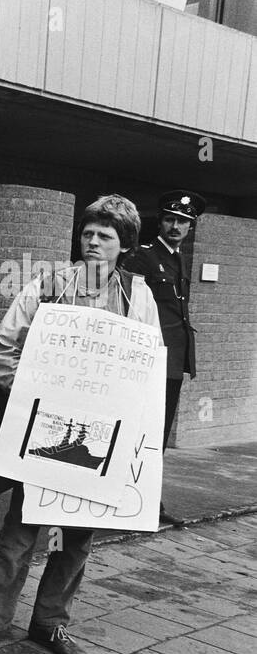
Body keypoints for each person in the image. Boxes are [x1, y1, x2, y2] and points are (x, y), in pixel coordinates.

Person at [0, 195, 162, 654]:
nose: (92, 242)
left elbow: (148, 362)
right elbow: (6, 342)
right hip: (44, 434)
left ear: (123, 244)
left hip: (99, 439)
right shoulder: (49, 284)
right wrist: (19, 400)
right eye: (88, 233)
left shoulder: (137, 295)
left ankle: (51, 622)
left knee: (76, 536)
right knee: (21, 530)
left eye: (104, 236)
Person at [121, 189, 206, 526]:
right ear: (161, 221)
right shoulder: (142, 257)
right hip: (152, 359)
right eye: (170, 219)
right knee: (142, 432)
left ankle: (147, 503)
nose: (175, 226)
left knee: (158, 436)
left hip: (172, 361)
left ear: (190, 228)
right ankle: (132, 501)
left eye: (183, 222)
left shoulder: (179, 258)